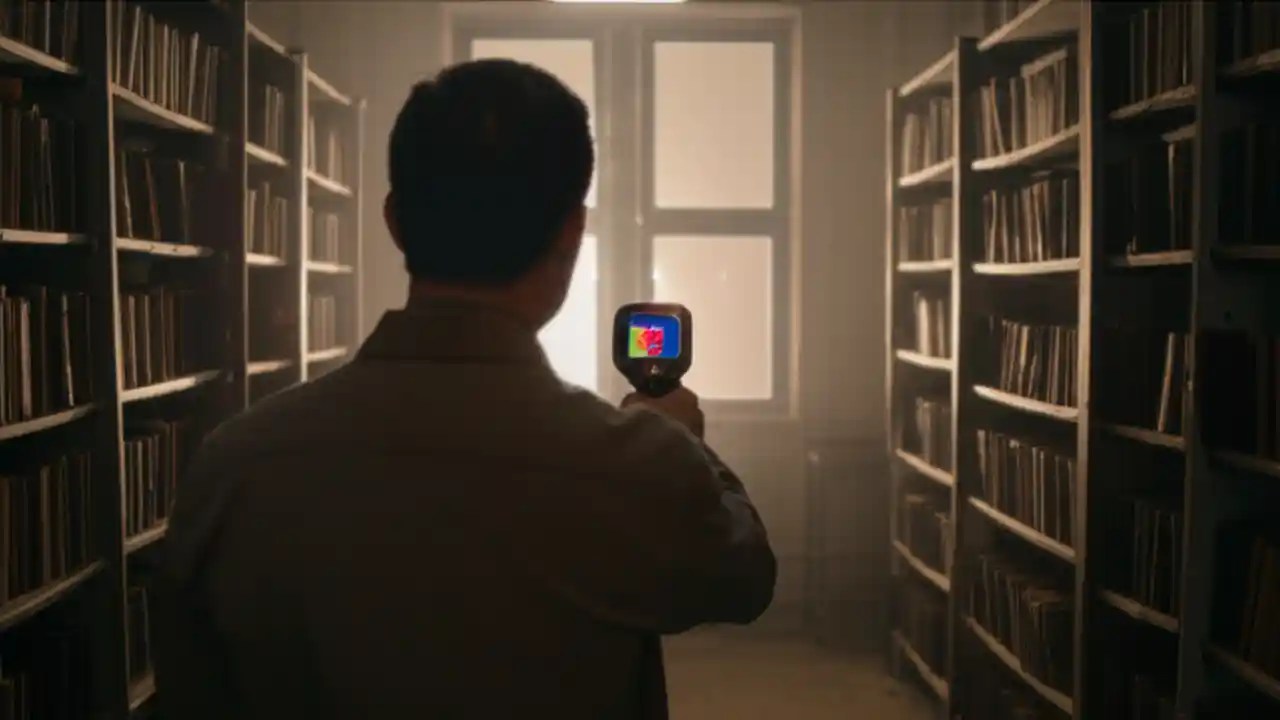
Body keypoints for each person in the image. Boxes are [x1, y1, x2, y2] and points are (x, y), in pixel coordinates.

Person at [153, 58, 776, 720]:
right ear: (571, 234)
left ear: (395, 221)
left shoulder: (234, 465)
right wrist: (685, 445)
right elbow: (742, 579)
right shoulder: (637, 463)